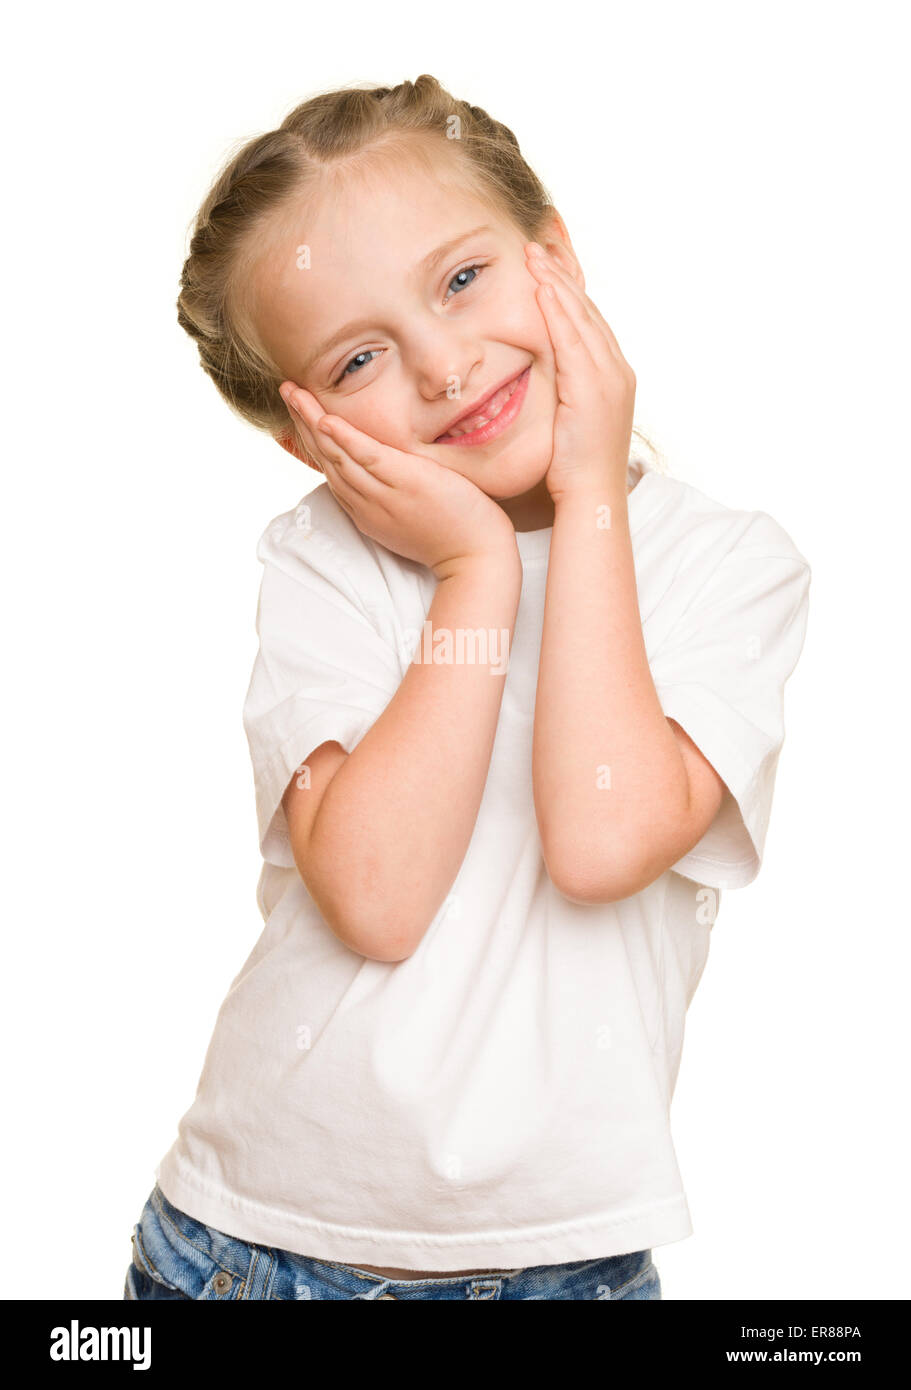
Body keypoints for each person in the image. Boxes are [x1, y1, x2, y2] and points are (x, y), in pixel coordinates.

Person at [124, 75, 811, 1302]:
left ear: (553, 251)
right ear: (307, 433)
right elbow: (378, 898)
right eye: (360, 355)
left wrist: (589, 495)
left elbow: (601, 837)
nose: (444, 366)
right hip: (251, 1254)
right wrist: (474, 572)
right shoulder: (324, 562)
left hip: (565, 1269)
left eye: (460, 279)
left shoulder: (726, 566)